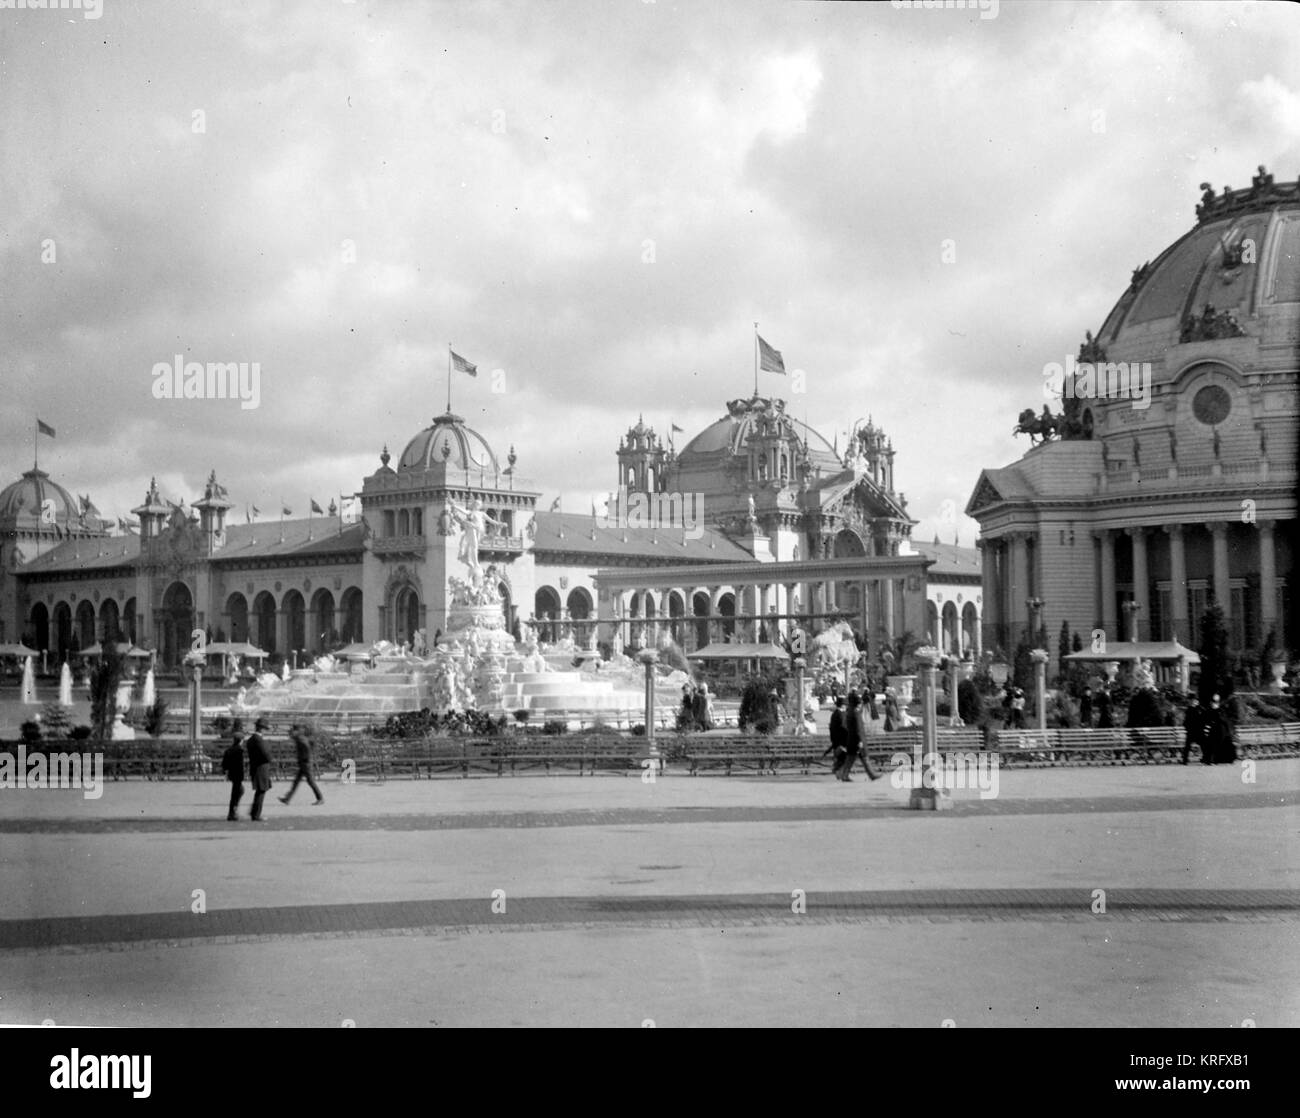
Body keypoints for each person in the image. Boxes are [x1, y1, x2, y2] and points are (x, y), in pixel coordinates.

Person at [280, 725, 325, 806]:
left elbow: (307, 748)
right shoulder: (299, 738)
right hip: (303, 763)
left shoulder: (301, 739)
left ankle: (320, 798)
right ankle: (287, 799)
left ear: (297, 731)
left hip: (305, 763)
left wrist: (306, 759)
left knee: (310, 781)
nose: (292, 732)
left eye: (294, 730)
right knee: (296, 782)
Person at [841, 691, 881, 781]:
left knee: (851, 759)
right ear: (857, 704)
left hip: (851, 739)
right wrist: (860, 741)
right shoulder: (856, 713)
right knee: (864, 758)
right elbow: (858, 728)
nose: (860, 705)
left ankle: (845, 775)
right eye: (859, 703)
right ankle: (872, 775)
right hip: (857, 740)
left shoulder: (849, 712)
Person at [245, 716, 273, 821]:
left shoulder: (251, 739)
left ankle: (254, 811)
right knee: (261, 791)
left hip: (255, 767)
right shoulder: (259, 740)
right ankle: (256, 814)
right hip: (261, 769)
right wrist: (270, 757)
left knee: (260, 791)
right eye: (265, 729)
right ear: (262, 728)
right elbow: (266, 754)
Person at [220, 720, 246, 822]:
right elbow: (240, 764)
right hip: (238, 775)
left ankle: (233, 811)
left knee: (237, 792)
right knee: (237, 792)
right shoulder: (239, 750)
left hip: (232, 774)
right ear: (240, 741)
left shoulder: (229, 750)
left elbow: (224, 764)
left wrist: (225, 771)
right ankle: (232, 812)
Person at [1203, 694, 1235, 764]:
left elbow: (1224, 720)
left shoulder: (1220, 710)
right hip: (1213, 730)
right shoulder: (1210, 710)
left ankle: (1224, 759)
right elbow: (1208, 720)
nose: (1215, 703)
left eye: (1216, 702)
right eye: (1214, 702)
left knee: (1224, 743)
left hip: (1221, 730)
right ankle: (1212, 760)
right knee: (1213, 745)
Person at [823, 696, 848, 779]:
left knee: (842, 757)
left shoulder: (837, 713)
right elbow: (843, 727)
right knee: (842, 757)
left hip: (838, 740)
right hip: (840, 740)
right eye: (845, 704)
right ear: (842, 705)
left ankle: (839, 772)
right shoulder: (839, 714)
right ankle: (838, 771)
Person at [1180, 696, 1204, 765]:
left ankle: (1205, 758)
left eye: (1196, 701)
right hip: (1191, 731)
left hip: (1198, 731)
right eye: (1194, 701)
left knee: (1203, 745)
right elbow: (1186, 721)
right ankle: (1185, 760)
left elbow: (1202, 720)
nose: (1195, 702)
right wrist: (1187, 728)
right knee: (1187, 746)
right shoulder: (1189, 710)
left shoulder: (1200, 709)